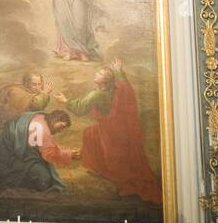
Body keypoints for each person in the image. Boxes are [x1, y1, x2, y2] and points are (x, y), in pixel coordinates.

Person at [57, 61, 162, 204]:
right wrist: (119, 71)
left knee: (112, 155)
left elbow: (80, 108)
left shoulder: (97, 95)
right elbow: (126, 87)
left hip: (110, 131)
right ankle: (99, 167)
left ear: (105, 82)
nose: (96, 74)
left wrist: (65, 101)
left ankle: (121, 179)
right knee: (89, 133)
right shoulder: (117, 88)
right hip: (120, 128)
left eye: (99, 74)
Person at [0, 109, 74, 192]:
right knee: (44, 180)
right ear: (55, 120)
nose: (61, 130)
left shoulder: (40, 118)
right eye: (62, 126)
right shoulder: (43, 129)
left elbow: (45, 144)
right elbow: (49, 154)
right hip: (13, 154)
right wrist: (70, 154)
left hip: (14, 149)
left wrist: (65, 150)